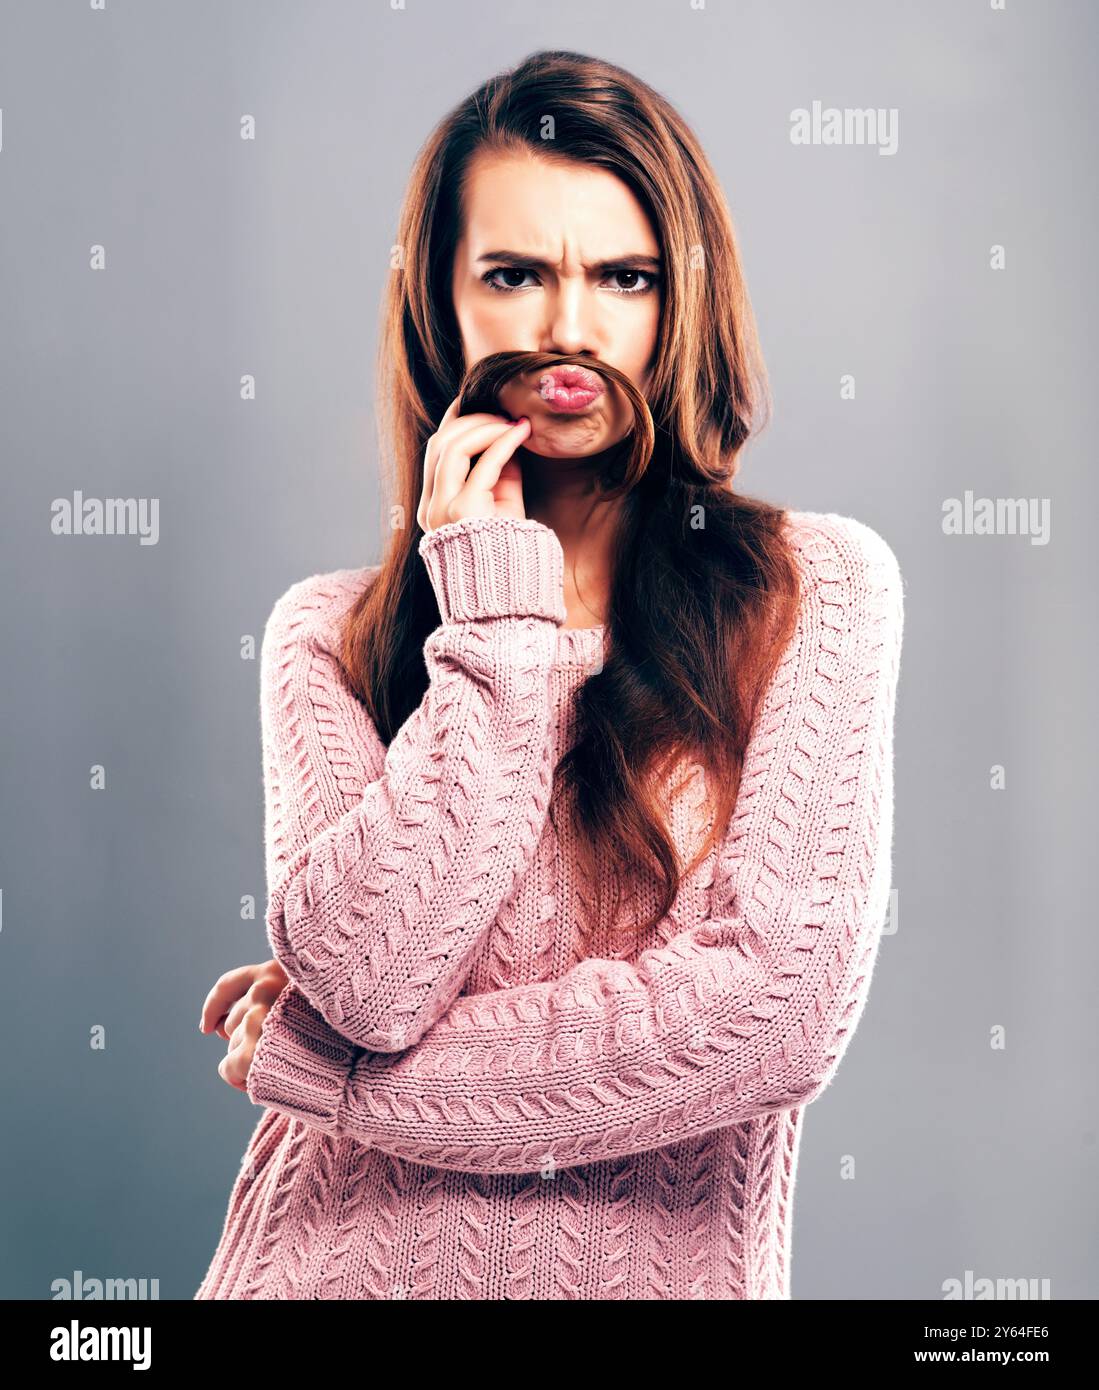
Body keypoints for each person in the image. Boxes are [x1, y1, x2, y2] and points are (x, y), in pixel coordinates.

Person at [195, 48, 904, 1301]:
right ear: (440, 304)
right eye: (514, 275)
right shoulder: (329, 635)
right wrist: (500, 617)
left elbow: (763, 1018)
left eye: (622, 277)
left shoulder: (814, 589)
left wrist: (338, 1075)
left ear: (683, 300)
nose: (569, 328)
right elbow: (363, 978)